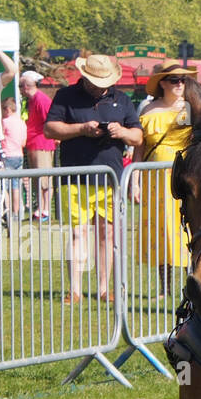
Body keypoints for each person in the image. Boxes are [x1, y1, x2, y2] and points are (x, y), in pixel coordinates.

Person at [43, 54, 143, 303]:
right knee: (78, 234)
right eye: (96, 81)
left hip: (111, 179)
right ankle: (74, 290)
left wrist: (121, 132)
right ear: (85, 77)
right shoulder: (66, 96)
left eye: (104, 81)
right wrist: (82, 129)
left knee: (107, 234)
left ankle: (103, 289)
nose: (100, 86)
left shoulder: (122, 99)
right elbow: (49, 128)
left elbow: (138, 137)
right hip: (75, 177)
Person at [133, 61, 196, 299]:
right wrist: (135, 180)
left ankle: (192, 285)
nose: (180, 84)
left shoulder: (190, 109)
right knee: (163, 233)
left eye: (183, 80)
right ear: (162, 83)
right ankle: (164, 288)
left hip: (185, 177)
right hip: (155, 181)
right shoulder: (148, 111)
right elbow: (140, 148)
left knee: (188, 228)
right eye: (174, 80)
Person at [19, 71, 56, 221]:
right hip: (34, 143)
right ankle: (40, 208)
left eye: (20, 86)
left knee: (44, 178)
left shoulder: (41, 99)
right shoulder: (31, 100)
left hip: (43, 143)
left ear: (27, 86)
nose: (20, 89)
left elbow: (50, 120)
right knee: (37, 178)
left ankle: (46, 209)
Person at [1, 96, 27, 217]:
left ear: (7, 110)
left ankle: (7, 211)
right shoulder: (22, 122)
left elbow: (1, 138)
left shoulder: (4, 122)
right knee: (16, 185)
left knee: (4, 185)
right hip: (19, 154)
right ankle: (16, 212)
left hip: (7, 155)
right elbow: (23, 142)